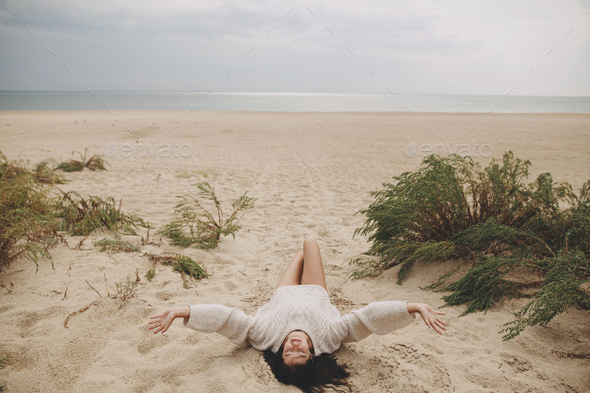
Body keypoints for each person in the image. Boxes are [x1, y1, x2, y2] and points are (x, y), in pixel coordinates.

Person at [148, 237, 446, 392]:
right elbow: (367, 317)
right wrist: (413, 307)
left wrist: (180, 312)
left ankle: (299, 263)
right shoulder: (329, 339)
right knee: (311, 243)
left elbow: (227, 319)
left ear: (280, 355)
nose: (294, 347)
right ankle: (306, 260)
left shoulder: (265, 337)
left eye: (289, 354)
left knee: (298, 256)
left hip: (284, 292)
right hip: (316, 289)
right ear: (311, 354)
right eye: (300, 353)